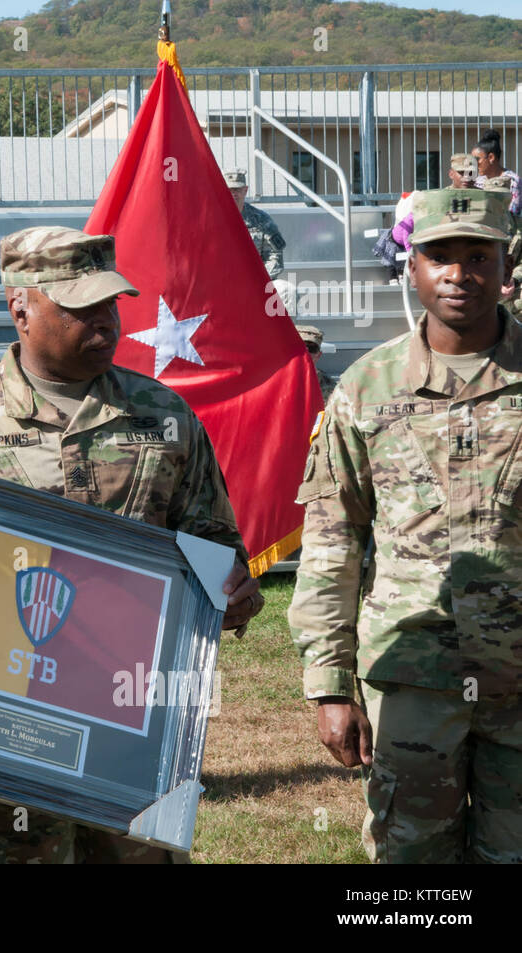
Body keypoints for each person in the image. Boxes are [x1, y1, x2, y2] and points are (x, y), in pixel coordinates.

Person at [0, 225, 264, 864]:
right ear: (20, 306)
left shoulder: (165, 416)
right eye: (80, 306)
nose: (104, 320)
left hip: (130, 721)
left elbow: (213, 542)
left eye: (111, 303)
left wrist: (233, 590)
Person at [289, 188, 522, 864]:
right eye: (440, 257)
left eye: (478, 256)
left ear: (504, 265)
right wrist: (331, 682)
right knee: (412, 862)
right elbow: (333, 540)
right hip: (413, 677)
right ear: (413, 268)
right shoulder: (367, 389)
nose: (459, 273)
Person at [224, 169, 286, 281]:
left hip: (255, 283)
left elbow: (275, 255)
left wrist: (260, 279)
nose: (233, 194)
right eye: (229, 190)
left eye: (237, 189)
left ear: (245, 190)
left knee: (288, 291)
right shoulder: (211, 219)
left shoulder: (262, 220)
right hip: (221, 283)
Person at [471, 128, 520, 216]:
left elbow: (513, 214)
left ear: (491, 157)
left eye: (477, 159)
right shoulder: (477, 181)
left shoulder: (513, 181)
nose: (474, 164)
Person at [296, 325, 336, 403]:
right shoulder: (274, 382)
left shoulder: (330, 388)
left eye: (312, 348)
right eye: (300, 347)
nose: (306, 352)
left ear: (318, 355)